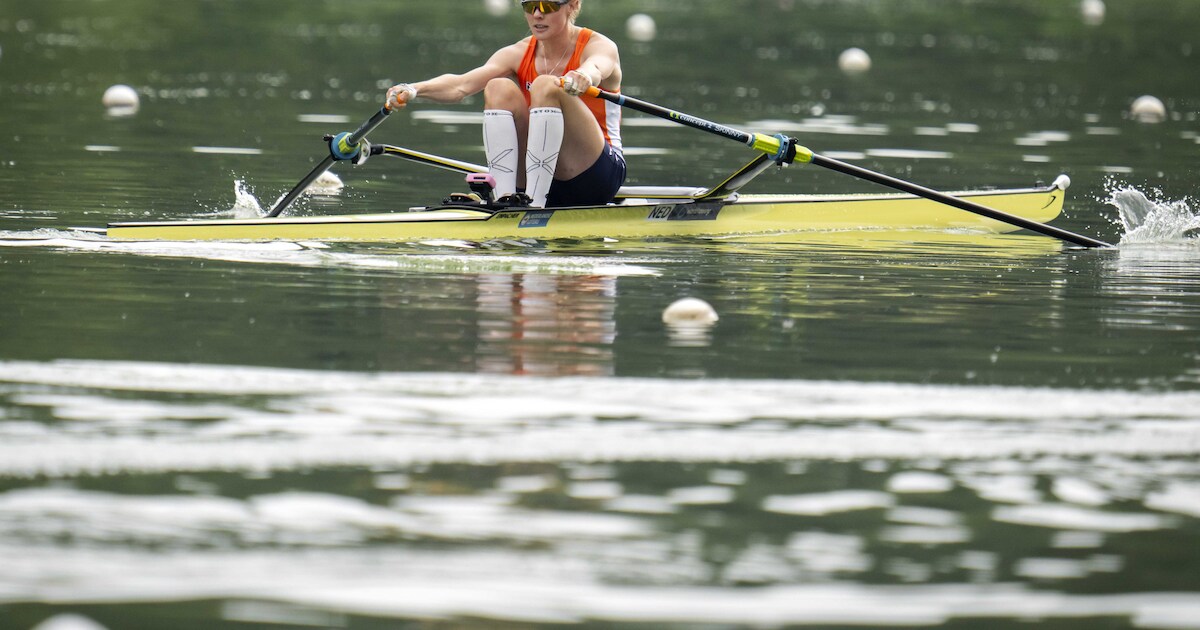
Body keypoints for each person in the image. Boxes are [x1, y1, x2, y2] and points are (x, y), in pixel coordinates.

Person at [385, 0, 624, 208]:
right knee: (497, 86)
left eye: (548, 6)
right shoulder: (518, 53)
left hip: (597, 175)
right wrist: (414, 89)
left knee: (546, 85)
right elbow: (461, 85)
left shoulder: (599, 46)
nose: (537, 15)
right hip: (540, 176)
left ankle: (535, 205)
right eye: (529, 6)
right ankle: (507, 198)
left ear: (573, 5)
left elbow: (597, 65)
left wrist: (584, 75)